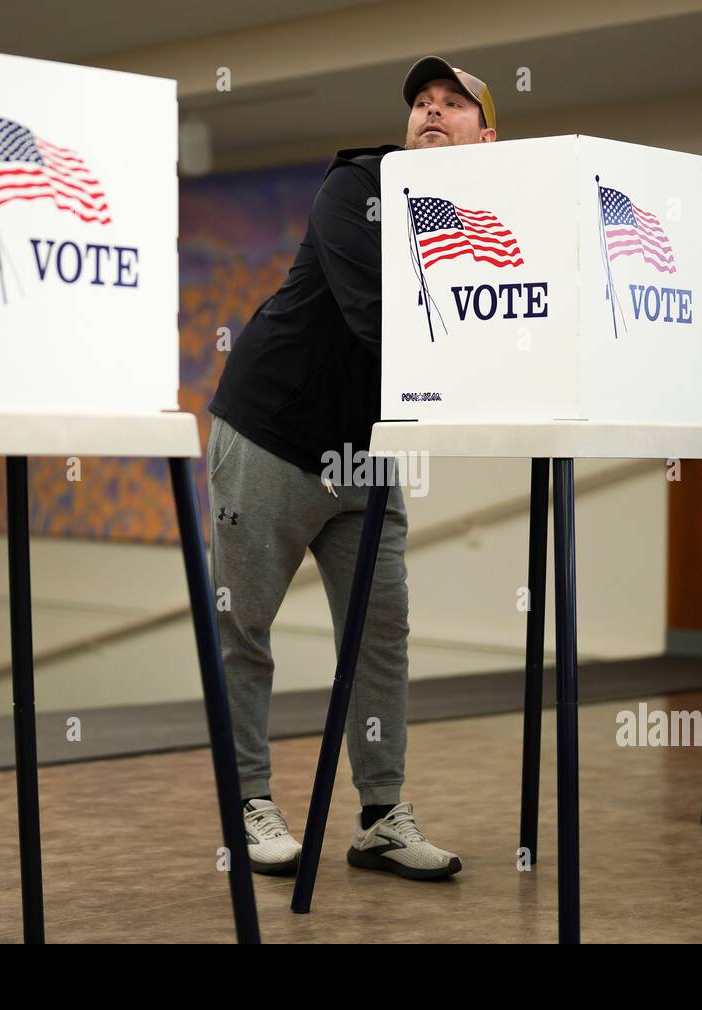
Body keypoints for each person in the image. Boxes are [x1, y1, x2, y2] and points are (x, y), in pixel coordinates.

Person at [206, 56, 498, 881]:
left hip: (367, 454)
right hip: (272, 431)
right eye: (422, 103)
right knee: (245, 629)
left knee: (380, 634)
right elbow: (386, 324)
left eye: (454, 104)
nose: (431, 112)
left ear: (487, 135)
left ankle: (379, 817)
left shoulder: (481, 226)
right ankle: (248, 798)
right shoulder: (355, 188)